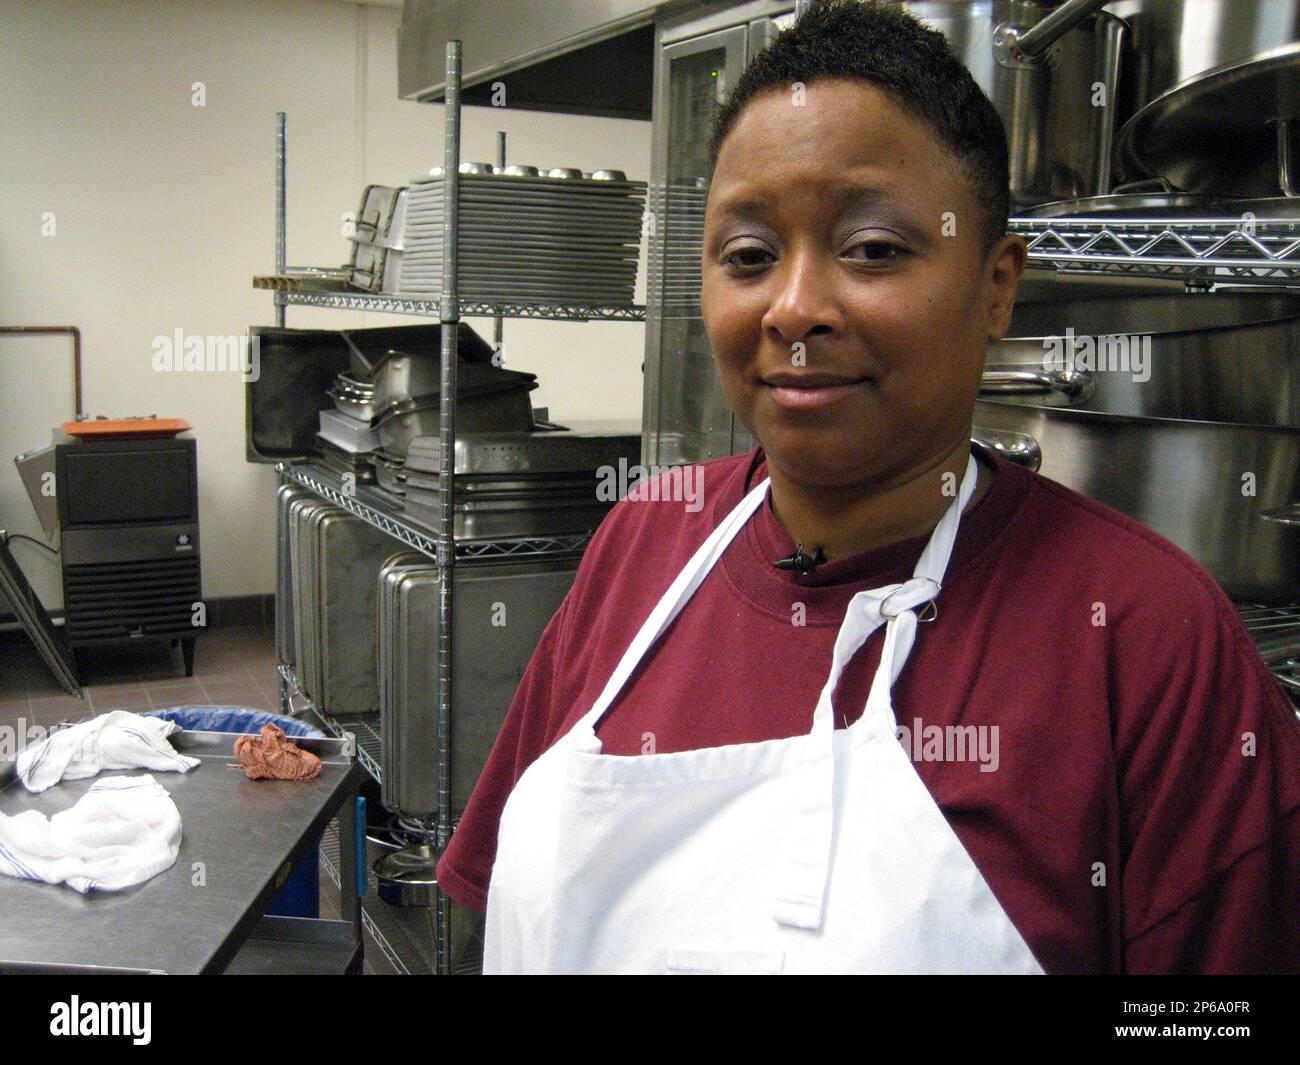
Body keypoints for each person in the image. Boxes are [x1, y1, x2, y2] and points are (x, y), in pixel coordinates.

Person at [436, 0, 1300, 974]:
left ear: (995, 285)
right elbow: (498, 896)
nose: (796, 308)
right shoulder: (646, 537)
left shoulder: (1148, 638)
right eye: (748, 256)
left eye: (875, 249)